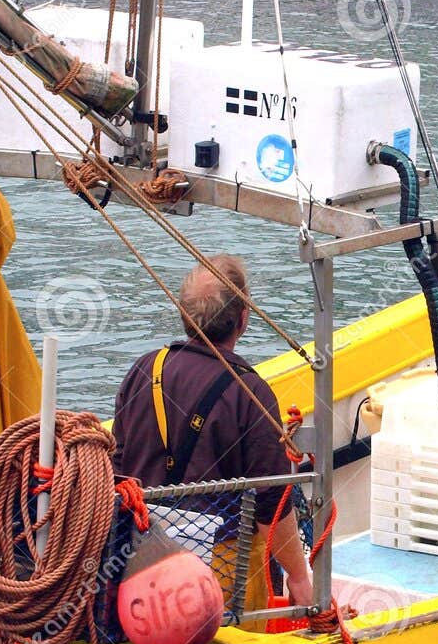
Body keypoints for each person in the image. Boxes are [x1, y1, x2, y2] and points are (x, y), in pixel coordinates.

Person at [112, 254, 313, 610]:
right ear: (244, 319)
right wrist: (299, 579)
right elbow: (272, 505)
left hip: (141, 561)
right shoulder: (249, 393)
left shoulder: (144, 369)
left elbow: (116, 463)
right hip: (219, 576)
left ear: (184, 315)